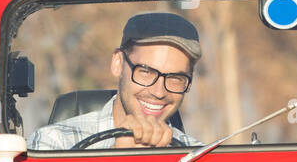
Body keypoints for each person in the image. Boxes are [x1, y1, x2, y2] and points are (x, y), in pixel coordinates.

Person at [27, 12, 205, 150]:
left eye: (175, 78)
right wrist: (117, 157)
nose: (159, 92)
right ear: (118, 63)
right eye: (146, 72)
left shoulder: (198, 158)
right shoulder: (54, 144)